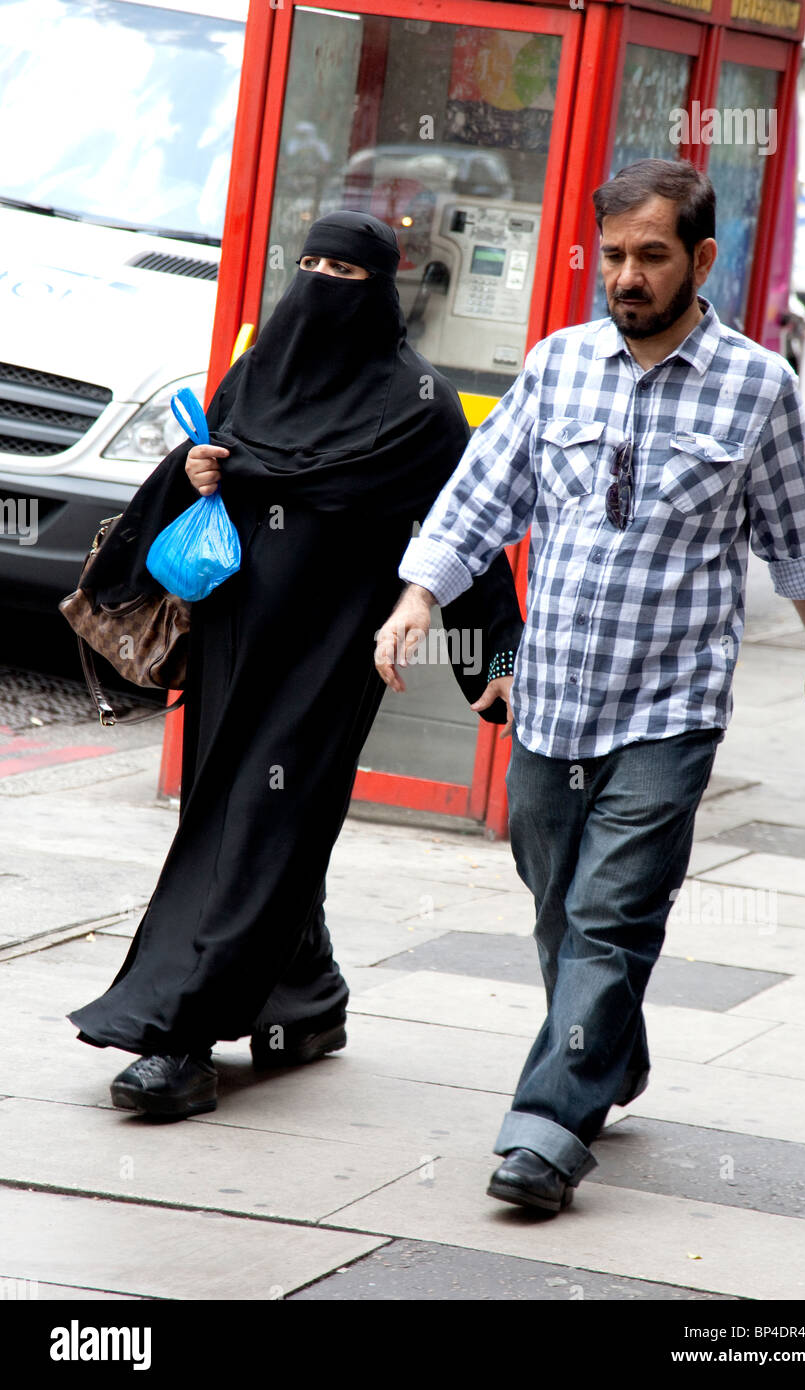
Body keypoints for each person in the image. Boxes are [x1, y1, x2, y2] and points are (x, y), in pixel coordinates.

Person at [374, 160, 805, 1214]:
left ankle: (546, 1130)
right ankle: (611, 1054)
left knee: (610, 911)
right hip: (551, 696)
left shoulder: (756, 387)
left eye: (651, 256)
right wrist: (419, 598)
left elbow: (798, 543)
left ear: (703, 259)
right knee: (555, 898)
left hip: (669, 705)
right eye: (615, 256)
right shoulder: (556, 367)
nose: (626, 277)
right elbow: (478, 498)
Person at [68, 211, 522, 1119]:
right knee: (245, 817)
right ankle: (304, 1001)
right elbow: (200, 466)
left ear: (382, 288)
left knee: (259, 817)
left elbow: (461, 529)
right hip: (235, 633)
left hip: (331, 649)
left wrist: (491, 658)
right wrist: (197, 471)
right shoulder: (257, 374)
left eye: (344, 271)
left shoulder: (419, 406)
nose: (318, 283)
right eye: (308, 262)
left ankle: (177, 1033)